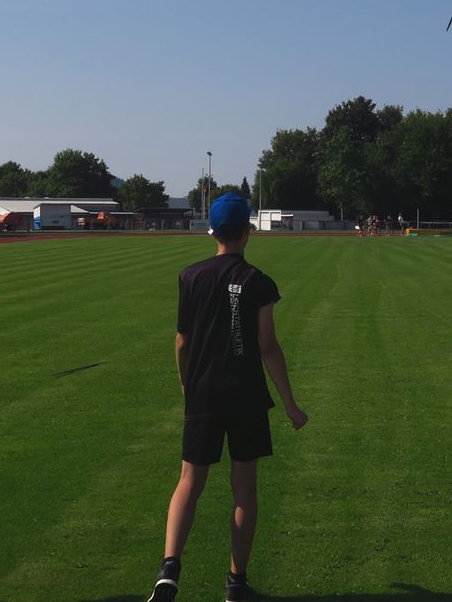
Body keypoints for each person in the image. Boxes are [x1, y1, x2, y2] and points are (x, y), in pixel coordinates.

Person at [147, 192, 308, 602]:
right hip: (245, 395)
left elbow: (182, 340)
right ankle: (236, 584)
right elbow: (268, 347)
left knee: (189, 481)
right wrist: (290, 404)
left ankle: (169, 570)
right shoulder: (258, 282)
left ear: (212, 231)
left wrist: (187, 383)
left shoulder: (191, 276)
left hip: (202, 393)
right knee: (244, 489)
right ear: (248, 231)